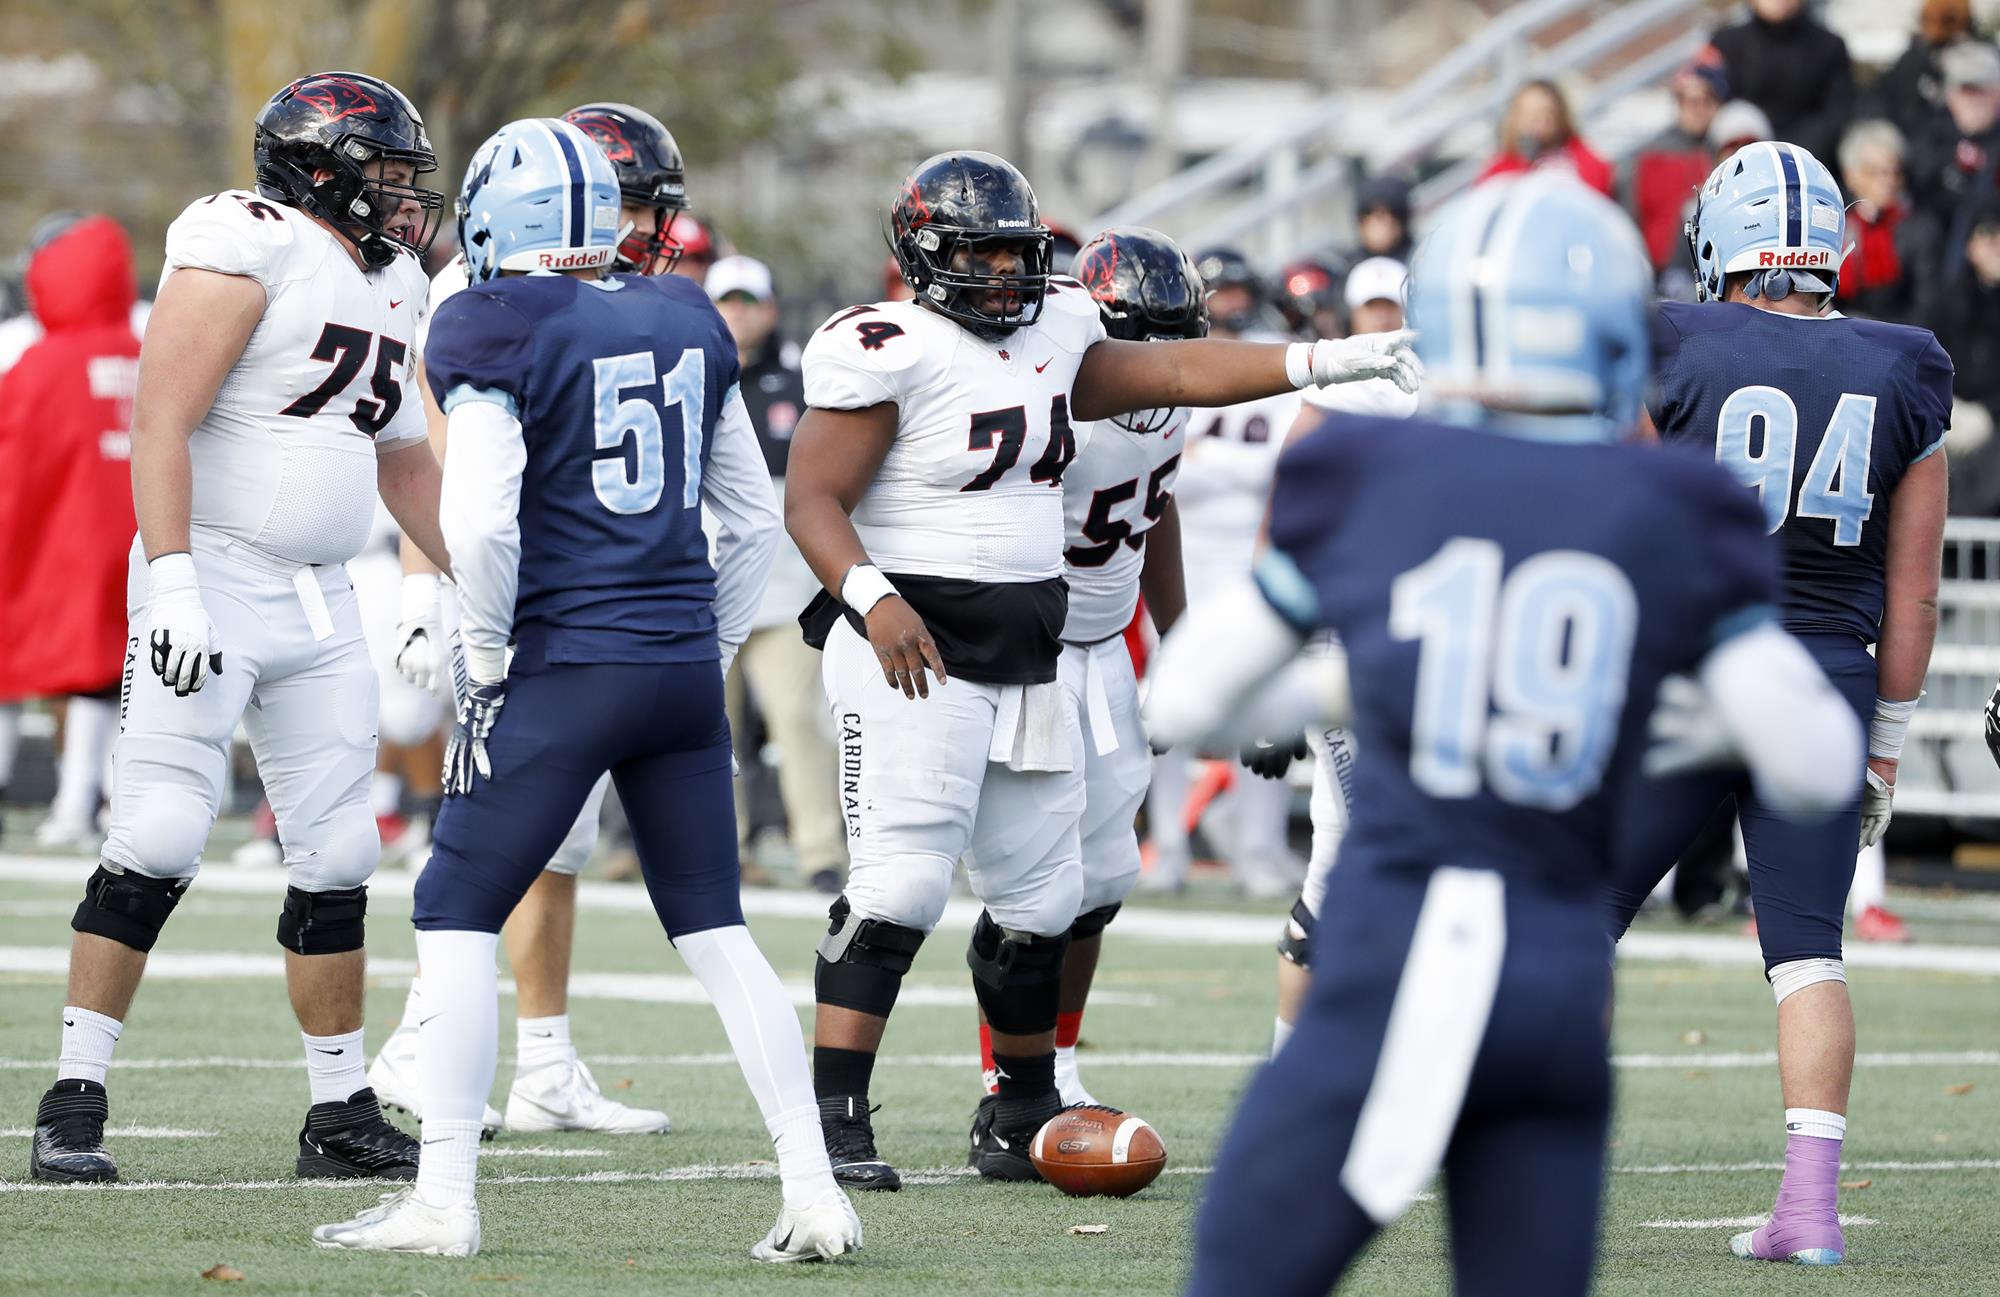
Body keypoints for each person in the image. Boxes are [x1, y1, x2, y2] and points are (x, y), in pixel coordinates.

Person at [1148, 172, 1864, 1297]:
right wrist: (1681, 718)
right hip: (1554, 998)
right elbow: (1818, 764)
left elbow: (1183, 705)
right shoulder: (1673, 505)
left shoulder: (1370, 467)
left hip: (1408, 962)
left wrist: (1342, 694)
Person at [784, 149, 1416, 1192]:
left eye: (1013, 254)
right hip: (910, 647)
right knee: (898, 882)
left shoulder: (1059, 330)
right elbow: (810, 498)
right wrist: (872, 597)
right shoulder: (883, 346)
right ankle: (831, 1117)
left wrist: (1328, 362)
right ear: (922, 255)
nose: (1000, 276)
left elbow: (1173, 373)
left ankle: (1021, 1102)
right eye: (977, 255)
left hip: (1035, 654)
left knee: (1044, 895)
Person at [312, 115, 859, 1262]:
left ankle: (444, 1199)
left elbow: (480, 518)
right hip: (672, 668)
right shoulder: (683, 310)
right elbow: (750, 520)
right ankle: (813, 1189)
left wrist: (490, 651)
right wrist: (700, 647)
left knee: (453, 909)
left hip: (562, 661)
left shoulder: (487, 316)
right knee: (717, 929)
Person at [28, 72, 451, 1184]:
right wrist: (169, 581)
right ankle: (74, 1096)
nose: (406, 197)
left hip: (316, 591)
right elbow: (159, 417)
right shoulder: (244, 239)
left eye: (412, 176)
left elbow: (403, 451)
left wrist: (464, 578)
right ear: (315, 169)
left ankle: (337, 1112)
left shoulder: (395, 279)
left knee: (341, 850)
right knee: (160, 834)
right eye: (387, 172)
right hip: (210, 571)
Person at [1606, 142, 1952, 1267]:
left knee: (1569, 921)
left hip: (1692, 663)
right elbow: (1913, 586)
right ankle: (1808, 1208)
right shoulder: (1906, 363)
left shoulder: (1669, 337)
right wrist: (1887, 746)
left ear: (1722, 240)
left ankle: (1538, 1167)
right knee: (1804, 950)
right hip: (1825, 676)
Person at [367, 100, 690, 1138]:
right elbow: (442, 464)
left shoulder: (612, 291)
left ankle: (545, 1063)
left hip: (593, 603)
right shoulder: (489, 289)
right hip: (511, 600)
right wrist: (429, 591)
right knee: (491, 830)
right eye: (632, 203)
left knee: (557, 841)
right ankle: (416, 1045)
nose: (644, 229)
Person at [962, 226, 1204, 1115]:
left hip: (1105, 652)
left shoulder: (1167, 406)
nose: (1158, 364)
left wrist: (1181, 636)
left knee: (1104, 877)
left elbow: (1156, 509)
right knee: (1032, 883)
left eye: (1173, 339)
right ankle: (1007, 1071)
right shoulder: (1040, 394)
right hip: (1030, 654)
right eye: (1140, 338)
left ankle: (1058, 1057)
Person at [1145, 246, 1307, 898]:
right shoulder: (1166, 362)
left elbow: (1290, 467)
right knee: (1164, 707)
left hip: (1258, 561)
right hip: (1182, 563)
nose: (1232, 308)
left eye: (1239, 293)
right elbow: (1160, 470)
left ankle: (1259, 849)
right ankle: (1168, 844)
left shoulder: (1282, 361)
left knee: (1267, 712)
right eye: (1220, 295)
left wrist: (1208, 460)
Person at [706, 253, 849, 893]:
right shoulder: (680, 372)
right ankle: (721, 851)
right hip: (704, 577)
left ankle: (820, 851)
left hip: (783, 583)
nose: (737, 313)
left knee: (798, 715)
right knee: (710, 722)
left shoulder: (802, 381)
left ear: (769, 308)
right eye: (725, 301)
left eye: (747, 301)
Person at [0, 214, 141, 850]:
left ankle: (47, 800)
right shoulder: (147, 352)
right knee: (109, 681)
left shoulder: (37, 363)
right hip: (142, 540)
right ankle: (87, 801)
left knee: (25, 672)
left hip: (52, 542)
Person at [1711, 0, 1855, 163]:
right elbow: (1711, 110)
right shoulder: (1726, 44)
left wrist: (1790, 154)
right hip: (1740, 161)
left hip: (1809, 162)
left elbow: (1837, 115)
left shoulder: (1829, 46)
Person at [1623, 56, 1726, 278]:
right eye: (1690, 102)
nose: (1698, 110)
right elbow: (1633, 216)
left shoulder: (1726, 150)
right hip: (1658, 270)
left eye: (1706, 101)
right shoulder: (1652, 157)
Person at [1907, 41, 2000, 279]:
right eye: (1964, 90)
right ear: (1949, 94)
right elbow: (1917, 181)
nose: (1971, 100)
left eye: (1980, 90)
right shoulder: (1932, 133)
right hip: (1940, 257)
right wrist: (1951, 162)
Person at [1836, 120, 1940, 324]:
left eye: (1894, 171)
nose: (1888, 180)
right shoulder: (1837, 225)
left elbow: (1927, 306)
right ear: (1851, 176)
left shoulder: (1920, 229)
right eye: (1874, 171)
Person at [1476, 79, 1613, 195]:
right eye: (1529, 115)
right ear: (1515, 119)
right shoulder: (1501, 168)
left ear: (1559, 116)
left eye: (1546, 113)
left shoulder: (1578, 159)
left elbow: (1598, 188)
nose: (1538, 121)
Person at [1867, 0, 1976, 142]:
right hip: (1911, 141)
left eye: (1947, 20)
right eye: (1928, 19)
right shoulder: (1912, 60)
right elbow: (1877, 100)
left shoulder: (1977, 61)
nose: (1937, 28)